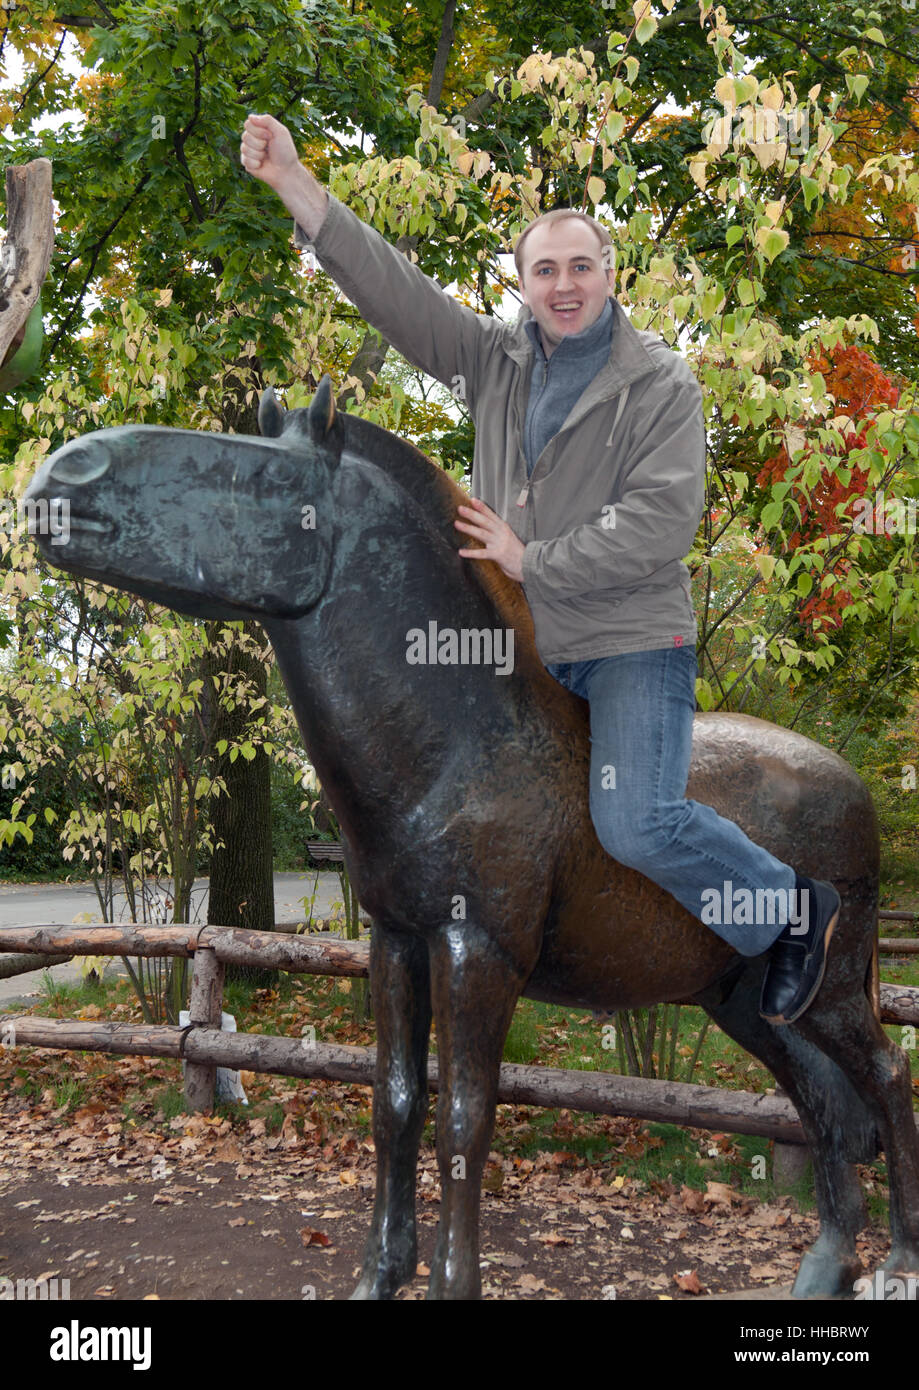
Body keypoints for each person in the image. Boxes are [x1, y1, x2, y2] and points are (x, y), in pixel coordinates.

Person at [239, 112, 840, 1024]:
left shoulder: (661, 384)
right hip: (514, 643)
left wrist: (533, 557)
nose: (563, 285)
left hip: (629, 641)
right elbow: (394, 290)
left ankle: (789, 908)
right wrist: (294, 183)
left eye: (580, 266)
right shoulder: (491, 360)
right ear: (521, 285)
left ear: (609, 276)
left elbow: (663, 521)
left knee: (634, 823)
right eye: (544, 270)